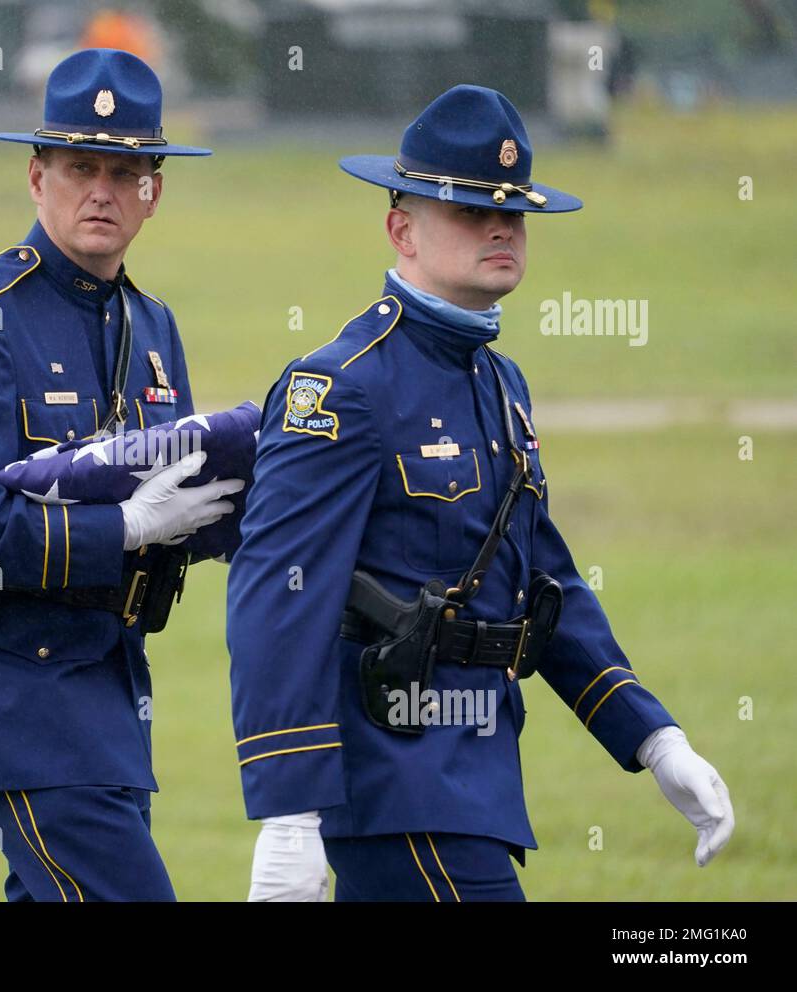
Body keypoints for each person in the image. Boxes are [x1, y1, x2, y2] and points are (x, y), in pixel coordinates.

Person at [226, 84, 735, 901]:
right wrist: (287, 812)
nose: (500, 229)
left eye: (514, 214)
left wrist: (654, 738)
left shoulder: (500, 384)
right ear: (402, 228)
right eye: (467, 212)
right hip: (393, 782)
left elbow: (548, 583)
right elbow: (276, 597)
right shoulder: (342, 386)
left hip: (477, 777)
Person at [0, 48, 241, 902]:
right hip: (14, 690)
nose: (103, 192)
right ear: (36, 177)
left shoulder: (154, 327)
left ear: (155, 191)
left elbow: (178, 501)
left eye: (127, 173)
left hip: (112, 683)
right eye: (81, 168)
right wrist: (117, 530)